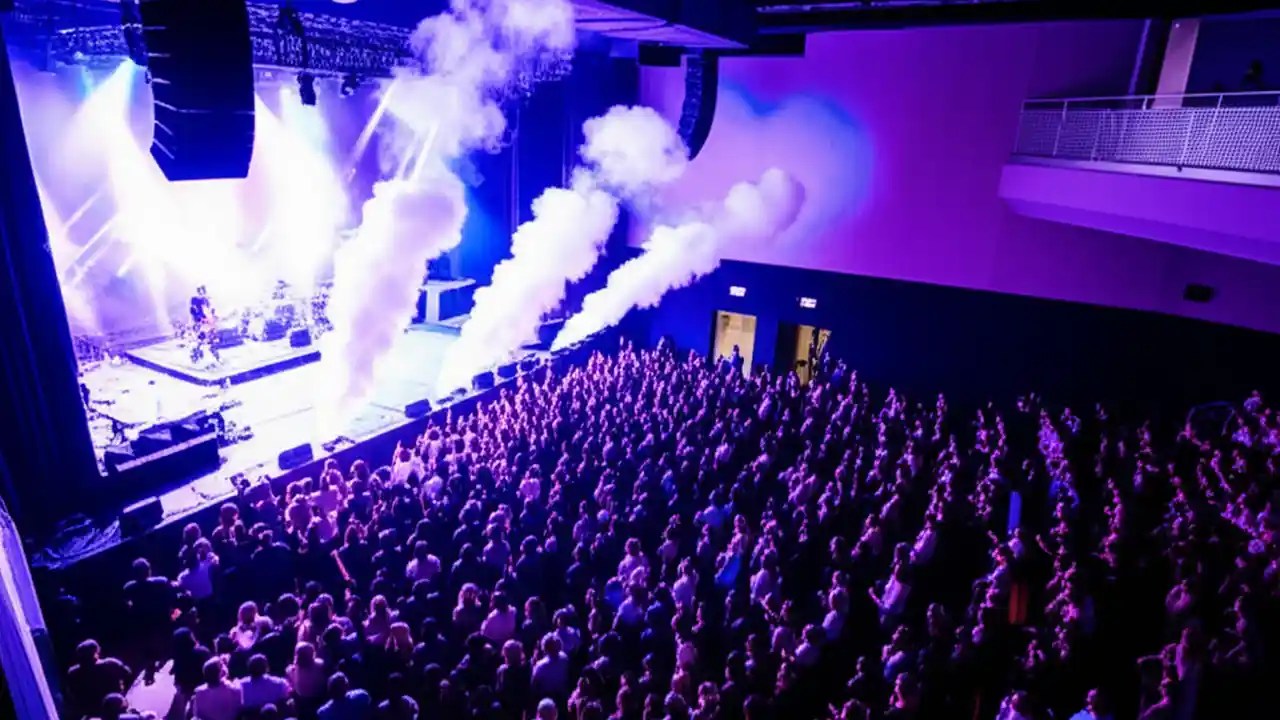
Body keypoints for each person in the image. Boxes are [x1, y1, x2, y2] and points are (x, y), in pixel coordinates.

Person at [66, 640, 131, 720]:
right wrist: (122, 692)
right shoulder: (110, 664)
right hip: (114, 709)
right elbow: (127, 674)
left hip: (90, 713)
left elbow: (71, 694)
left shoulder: (73, 673)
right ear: (96, 651)